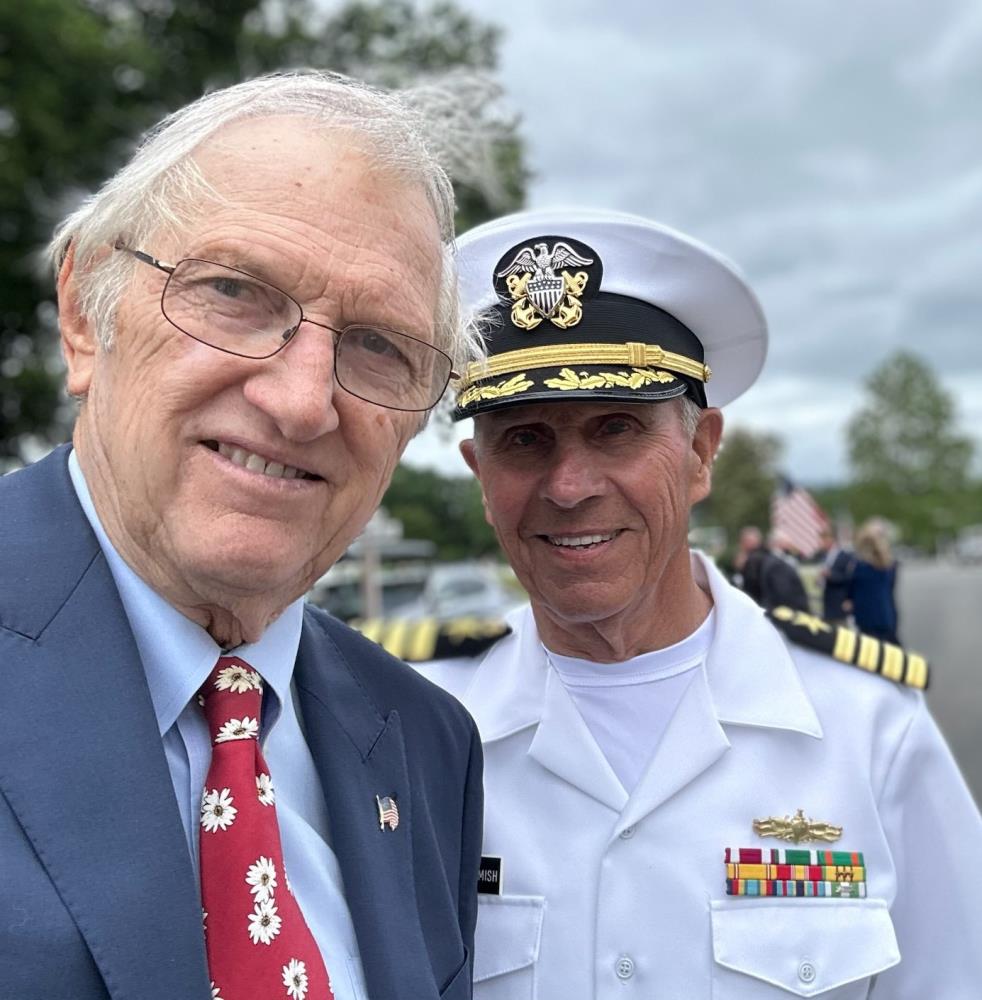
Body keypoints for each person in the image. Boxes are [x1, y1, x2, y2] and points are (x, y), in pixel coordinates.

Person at [0, 72, 484, 1000]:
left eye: (380, 346)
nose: (303, 401)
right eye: (234, 291)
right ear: (84, 313)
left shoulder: (427, 743)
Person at [414, 209, 982, 998]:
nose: (571, 486)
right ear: (480, 474)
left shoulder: (868, 727)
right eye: (525, 439)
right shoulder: (415, 726)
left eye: (616, 429)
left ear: (701, 453)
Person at [735, 525, 810, 613]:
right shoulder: (771, 561)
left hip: (779, 610)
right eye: (787, 542)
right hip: (784, 611)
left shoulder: (766, 559)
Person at [849, 519, 900, 644]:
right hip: (886, 615)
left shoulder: (859, 567)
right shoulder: (888, 566)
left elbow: (851, 590)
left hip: (866, 618)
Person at [819, 526, 855, 625]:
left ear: (831, 539)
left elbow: (848, 577)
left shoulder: (845, 555)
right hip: (827, 601)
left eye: (823, 539)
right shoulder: (825, 556)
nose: (821, 543)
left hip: (839, 601)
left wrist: (830, 575)